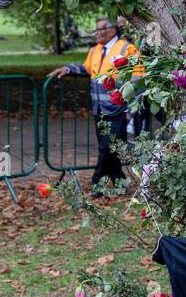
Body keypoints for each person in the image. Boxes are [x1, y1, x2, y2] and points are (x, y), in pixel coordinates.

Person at [48, 16, 142, 185]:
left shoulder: (127, 49)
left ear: (112, 30)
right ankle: (117, 178)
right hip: (99, 108)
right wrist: (68, 68)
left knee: (106, 148)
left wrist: (131, 110)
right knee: (109, 148)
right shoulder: (95, 50)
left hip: (118, 109)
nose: (97, 33)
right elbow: (87, 68)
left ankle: (97, 183)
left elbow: (137, 79)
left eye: (101, 29)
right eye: (96, 30)